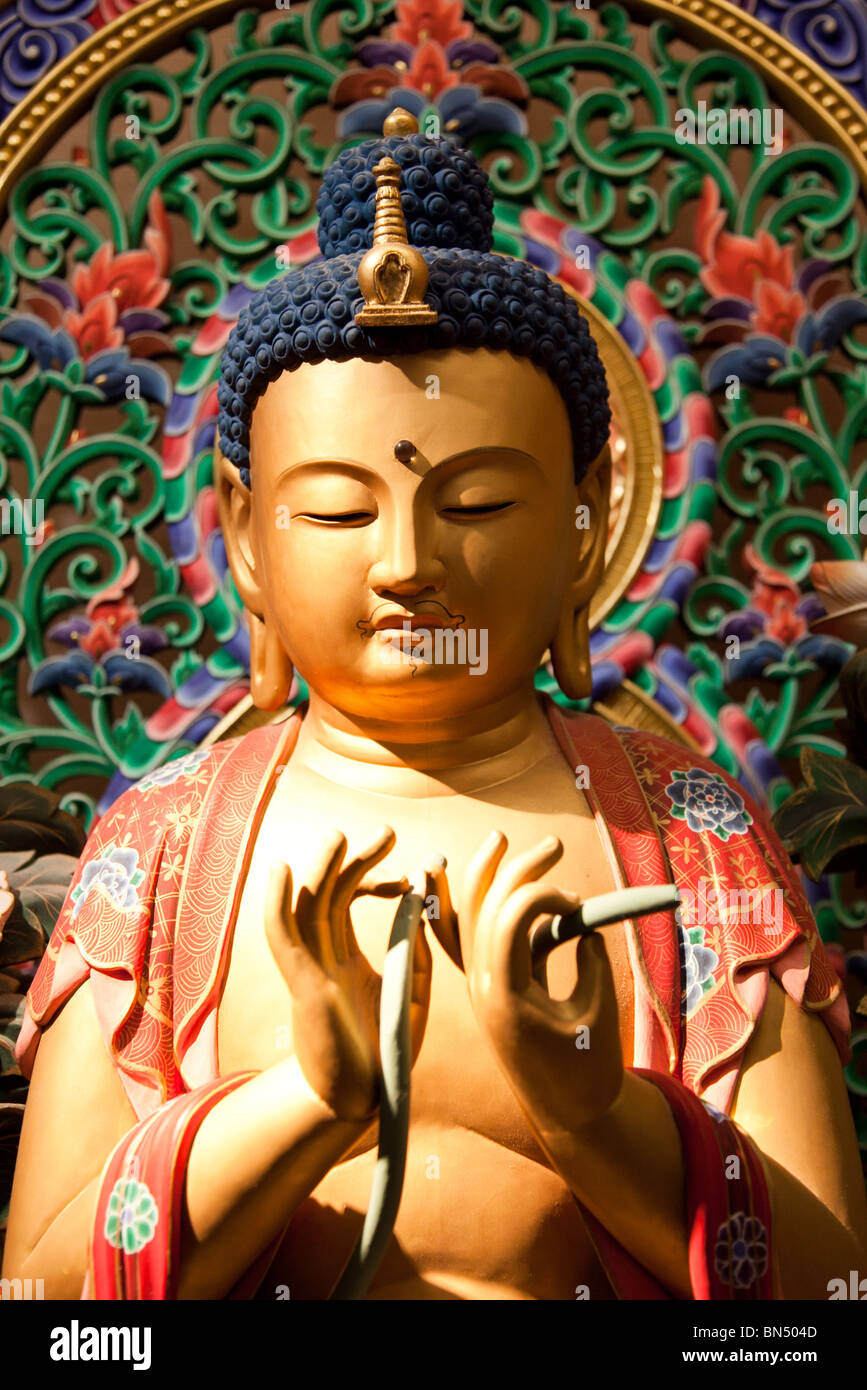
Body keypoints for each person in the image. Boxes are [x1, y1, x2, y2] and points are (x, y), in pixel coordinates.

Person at [3, 111, 864, 1301]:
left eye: (477, 505)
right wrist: (305, 1103)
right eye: (343, 511)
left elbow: (826, 1302)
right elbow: (49, 1316)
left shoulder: (691, 835)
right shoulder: (161, 847)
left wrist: (592, 1107)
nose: (407, 562)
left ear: (584, 527)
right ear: (247, 541)